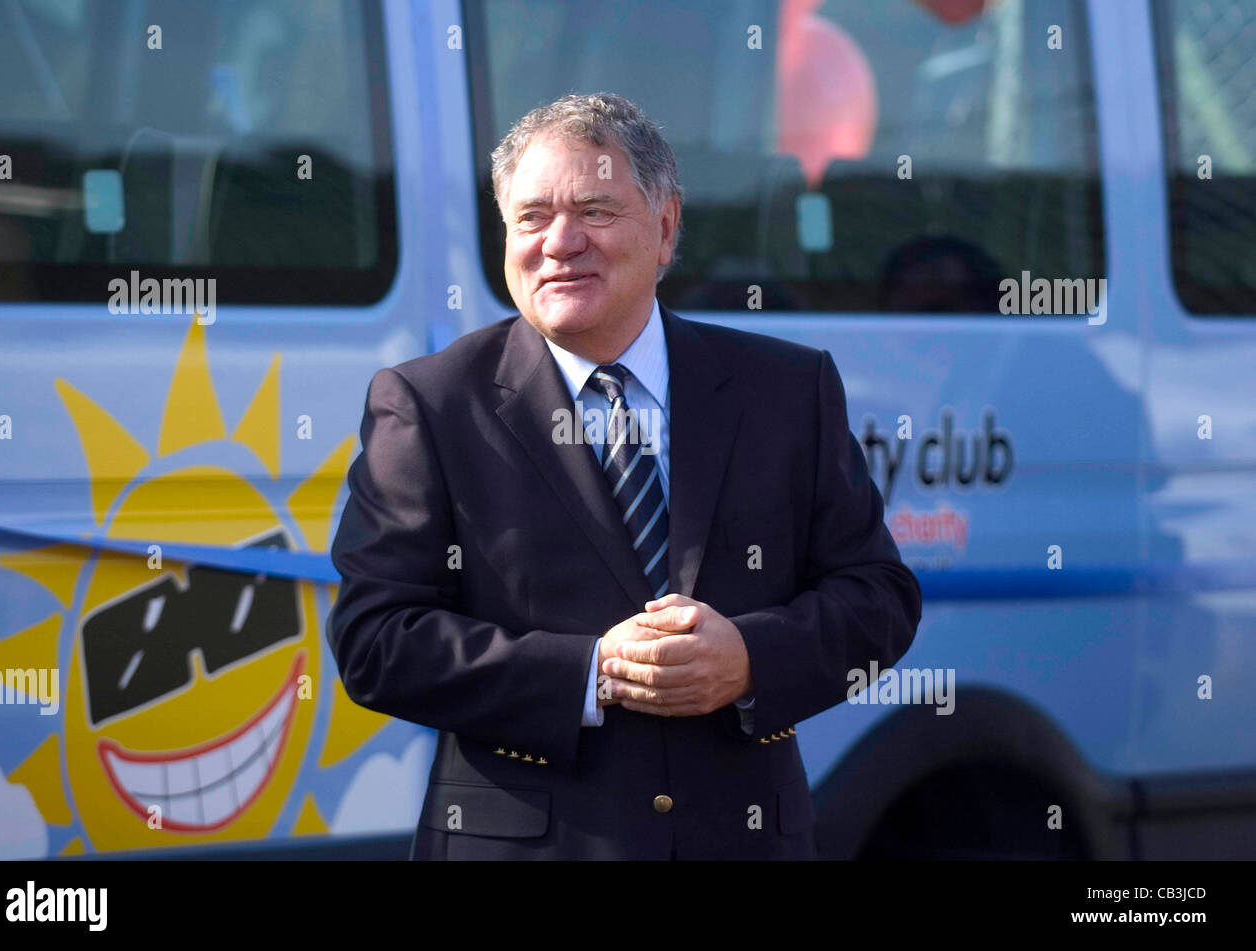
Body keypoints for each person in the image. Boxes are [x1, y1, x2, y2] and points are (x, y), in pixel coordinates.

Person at [326, 92, 921, 860]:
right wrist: (593, 673)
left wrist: (747, 659)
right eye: (533, 216)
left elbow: (878, 599)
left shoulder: (785, 389)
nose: (560, 242)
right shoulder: (430, 404)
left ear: (667, 226)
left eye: (596, 211)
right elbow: (376, 641)